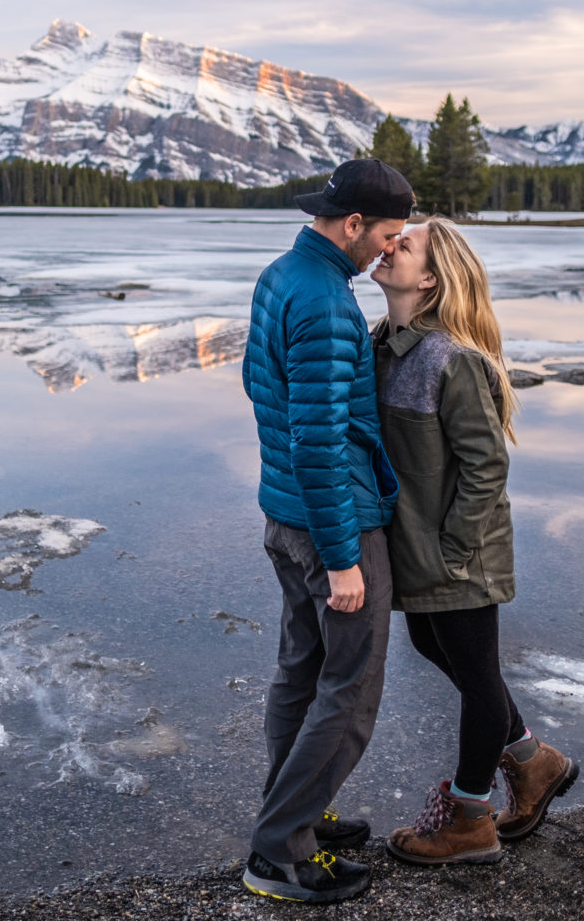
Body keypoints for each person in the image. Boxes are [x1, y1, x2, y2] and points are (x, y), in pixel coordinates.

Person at [370, 215, 578, 866]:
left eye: (404, 245)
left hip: (458, 550)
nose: (388, 246)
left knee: (479, 677)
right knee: (434, 646)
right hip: (423, 546)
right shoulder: (384, 342)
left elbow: (486, 467)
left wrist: (453, 552)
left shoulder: (450, 359)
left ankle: (469, 821)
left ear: (430, 280)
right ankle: (533, 761)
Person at [241, 158, 414, 905]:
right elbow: (318, 441)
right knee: (350, 689)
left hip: (286, 514)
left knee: (301, 672)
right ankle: (280, 852)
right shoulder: (327, 306)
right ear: (353, 225)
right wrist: (345, 560)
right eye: (388, 234)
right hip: (332, 523)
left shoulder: (282, 275)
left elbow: (261, 388)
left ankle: (299, 812)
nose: (391, 248)